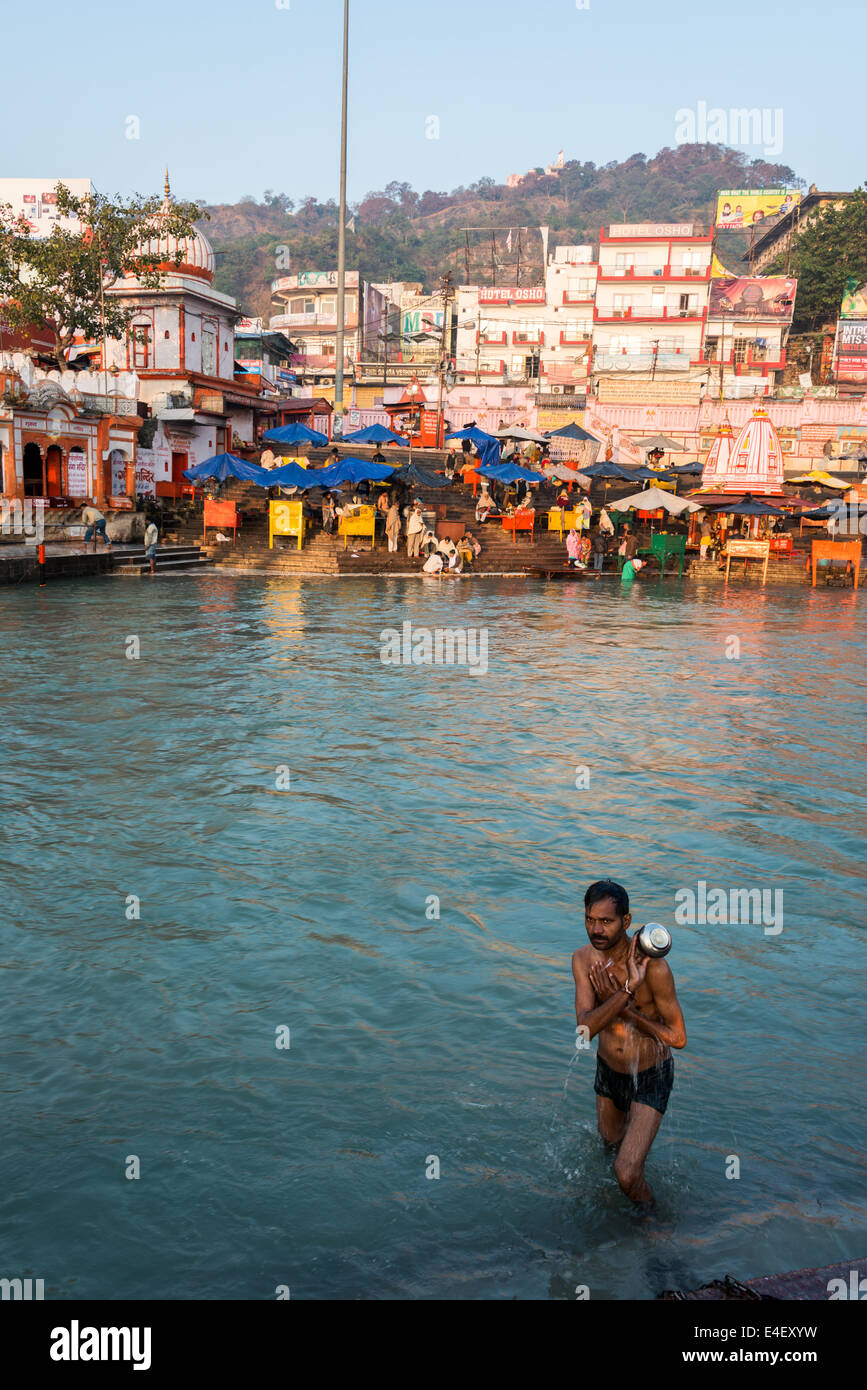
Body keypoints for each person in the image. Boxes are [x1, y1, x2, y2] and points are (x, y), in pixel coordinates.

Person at [571, 880, 686, 1206]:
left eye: (606, 921)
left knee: (626, 1171)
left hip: (651, 1075)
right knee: (609, 1153)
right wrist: (623, 993)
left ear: (626, 921)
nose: (596, 929)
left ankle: (655, 1231)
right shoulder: (582, 960)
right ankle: (615, 1223)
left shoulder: (656, 969)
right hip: (609, 1071)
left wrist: (628, 1009)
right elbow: (584, 1031)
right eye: (590, 919)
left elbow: (678, 1037)